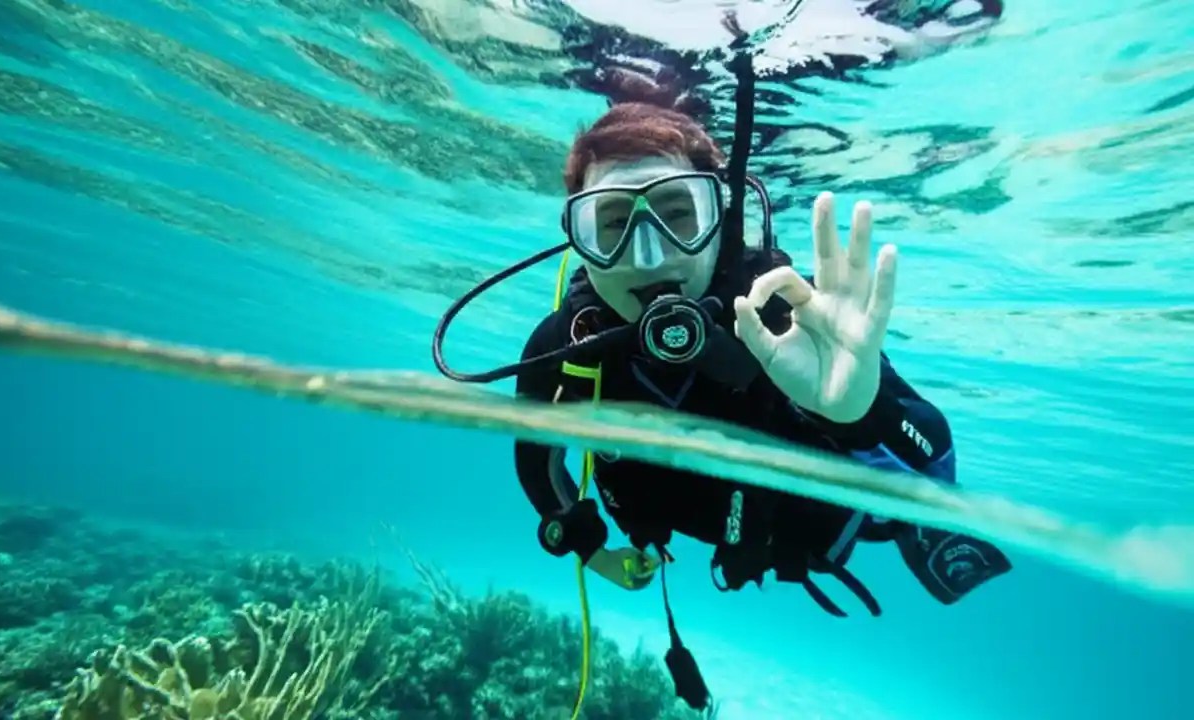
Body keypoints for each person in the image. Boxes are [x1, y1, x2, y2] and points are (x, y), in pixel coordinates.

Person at [432, 34, 1010, 716]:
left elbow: (936, 475)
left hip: (804, 535)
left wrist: (862, 411)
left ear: (721, 220)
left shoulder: (795, 316)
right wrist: (590, 549)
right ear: (579, 244)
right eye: (610, 224)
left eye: (679, 215)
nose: (647, 257)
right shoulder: (568, 350)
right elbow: (538, 465)